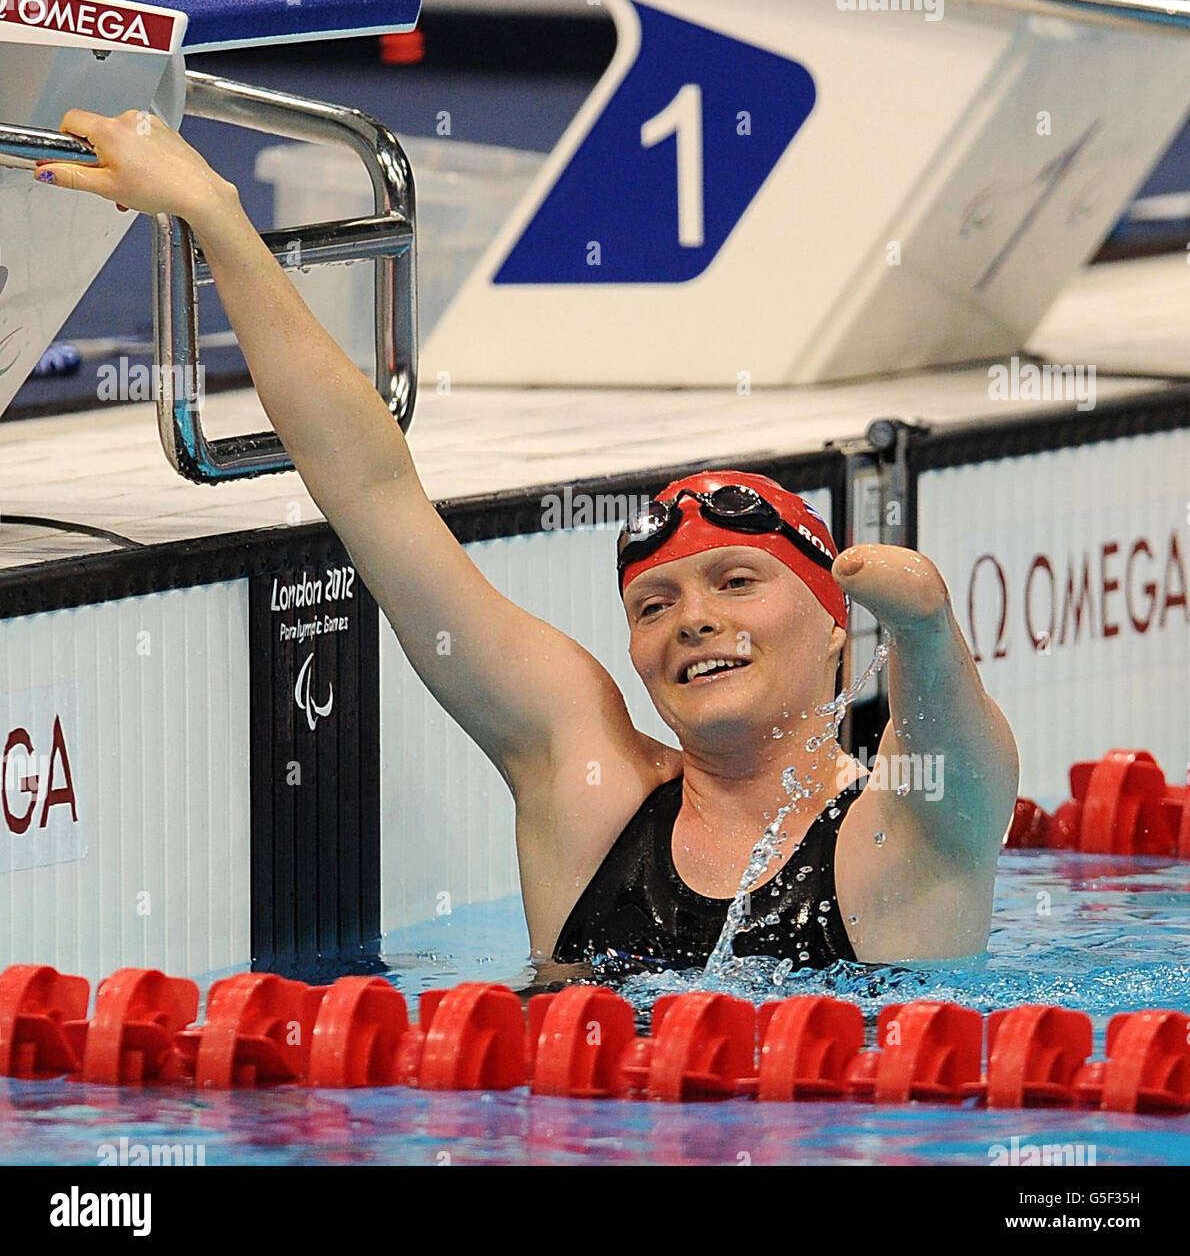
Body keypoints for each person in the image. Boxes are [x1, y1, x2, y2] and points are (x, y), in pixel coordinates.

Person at [35, 109, 1020, 975]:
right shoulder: (585, 786)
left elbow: (955, 754)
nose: (693, 620)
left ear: (835, 625)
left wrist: (926, 626)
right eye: (654, 604)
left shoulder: (901, 836)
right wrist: (215, 213)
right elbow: (376, 493)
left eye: (734, 580)